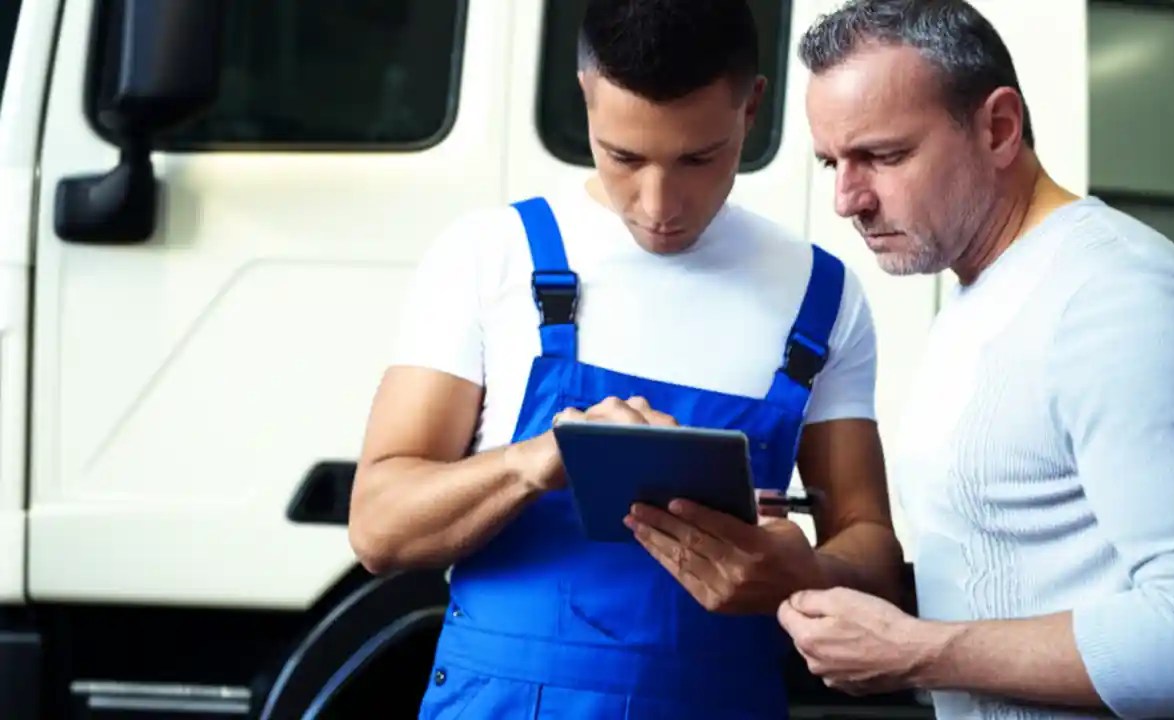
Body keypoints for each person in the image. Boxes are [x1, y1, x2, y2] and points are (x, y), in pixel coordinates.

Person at [347, 1, 906, 717]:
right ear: (586, 95)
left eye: (699, 158)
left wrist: (809, 570)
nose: (658, 204)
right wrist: (537, 461)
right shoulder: (490, 257)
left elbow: (877, 560)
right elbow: (379, 527)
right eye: (624, 156)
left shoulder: (820, 297)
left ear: (753, 107)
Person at [774, 1, 1174, 718]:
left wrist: (917, 649)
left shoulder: (1121, 303)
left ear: (999, 128)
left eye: (883, 157)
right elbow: (1007, 581)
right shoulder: (985, 288)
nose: (846, 199)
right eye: (833, 161)